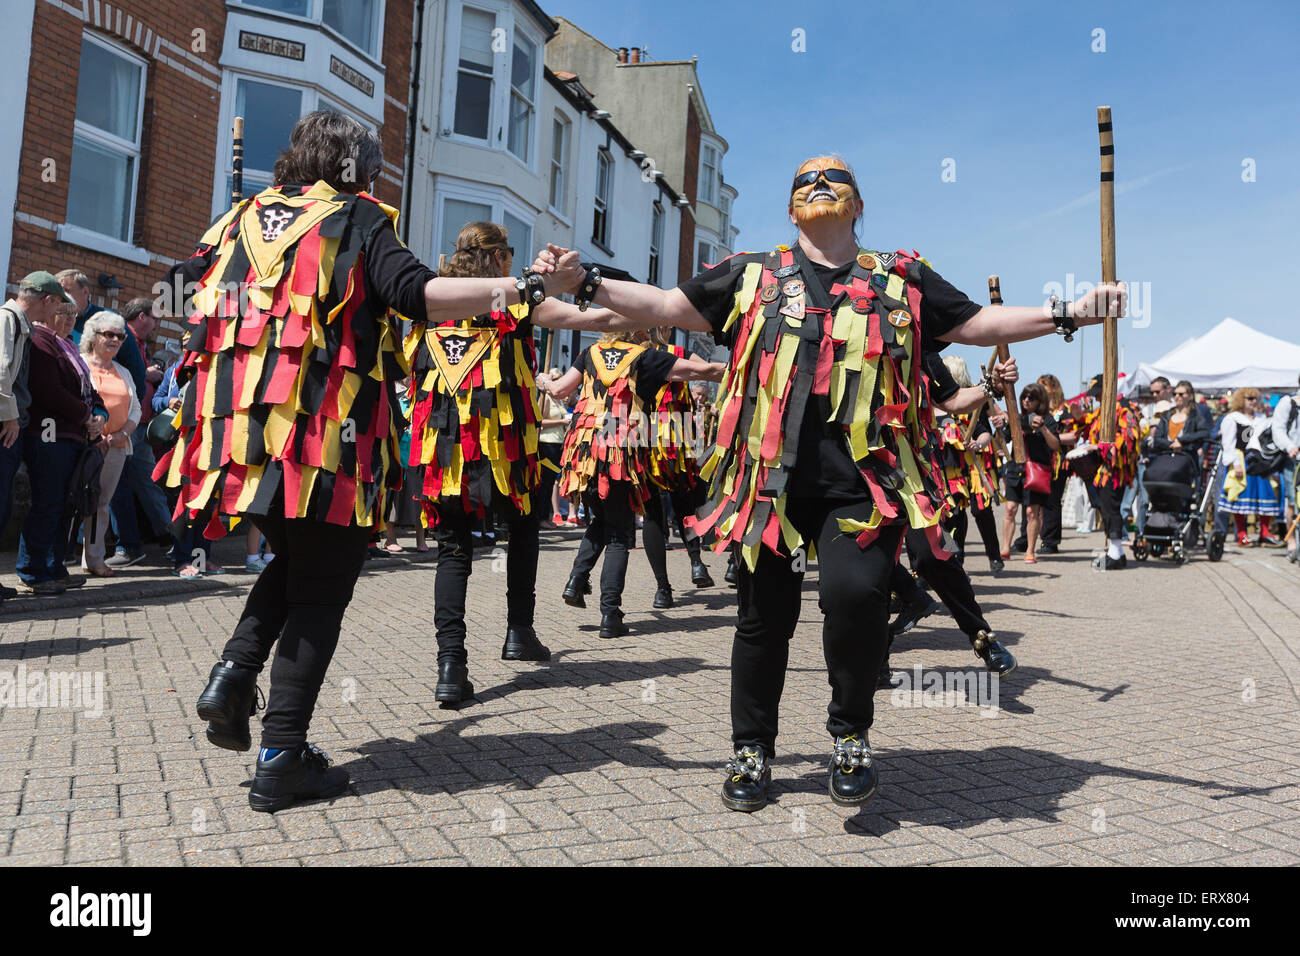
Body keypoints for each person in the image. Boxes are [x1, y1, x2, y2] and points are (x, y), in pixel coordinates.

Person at [531, 153, 1126, 812]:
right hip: (772, 485)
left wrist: (1070, 313)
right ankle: (751, 748)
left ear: (858, 203)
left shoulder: (900, 279)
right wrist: (582, 280)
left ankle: (850, 733)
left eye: (833, 177)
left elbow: (977, 325)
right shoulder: (752, 274)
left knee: (857, 599)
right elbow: (667, 304)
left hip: (861, 486)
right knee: (764, 620)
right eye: (804, 181)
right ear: (791, 210)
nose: (818, 185)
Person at [168, 110, 585, 813]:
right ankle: (280, 756)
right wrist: (523, 289)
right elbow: (416, 295)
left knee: (295, 564)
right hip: (325, 441)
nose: (382, 178)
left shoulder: (235, 219)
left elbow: (188, 295)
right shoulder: (358, 219)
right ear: (355, 167)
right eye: (377, 168)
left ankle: (234, 676)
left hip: (240, 434)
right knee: (321, 590)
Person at [405, 221, 601, 706]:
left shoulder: (434, 296)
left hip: (444, 448)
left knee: (453, 550)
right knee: (523, 530)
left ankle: (451, 665)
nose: (513, 261)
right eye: (509, 253)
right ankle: (519, 631)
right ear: (496, 258)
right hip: (507, 450)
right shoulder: (518, 300)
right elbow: (580, 319)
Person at [543, 330, 723, 638]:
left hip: (583, 455)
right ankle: (610, 616)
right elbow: (700, 371)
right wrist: (743, 369)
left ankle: (576, 579)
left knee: (601, 520)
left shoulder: (591, 352)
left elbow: (559, 390)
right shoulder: (647, 357)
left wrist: (543, 381)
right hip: (619, 455)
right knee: (619, 535)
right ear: (641, 329)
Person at [14, 283, 104, 595]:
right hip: (48, 435)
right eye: (62, 312)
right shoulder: (41, 340)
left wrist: (98, 418)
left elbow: (90, 393)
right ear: (50, 311)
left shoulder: (67, 346)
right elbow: (48, 390)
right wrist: (84, 416)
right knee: (48, 502)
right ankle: (32, 571)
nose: (68, 319)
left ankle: (54, 567)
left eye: (73, 314)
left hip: (73, 437)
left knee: (65, 505)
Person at [106, 297, 174, 568]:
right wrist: (147, 374)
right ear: (141, 317)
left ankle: (167, 538)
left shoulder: (141, 344)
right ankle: (133, 544)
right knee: (120, 485)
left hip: (140, 425)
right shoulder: (122, 338)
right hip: (125, 423)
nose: (157, 324)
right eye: (155, 318)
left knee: (144, 483)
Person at [1, 274, 56, 599]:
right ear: (46, 299)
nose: (54, 313)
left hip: (11, 425)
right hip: (4, 426)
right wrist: (9, 416)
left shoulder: (19, 322)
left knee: (4, 506)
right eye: (56, 304)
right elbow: (1, 369)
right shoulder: (8, 319)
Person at [79, 311, 140, 577]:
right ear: (94, 336)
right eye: (109, 334)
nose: (115, 339)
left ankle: (93, 559)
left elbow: (135, 408)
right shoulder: (79, 364)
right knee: (72, 501)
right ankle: (54, 561)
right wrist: (94, 434)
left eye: (120, 336)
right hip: (83, 445)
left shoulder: (123, 371)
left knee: (101, 504)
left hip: (115, 447)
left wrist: (121, 435)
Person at [1074, 376, 1142, 569]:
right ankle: (1116, 552)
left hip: (1116, 469)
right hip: (1104, 468)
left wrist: (1097, 448)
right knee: (1106, 507)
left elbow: (1128, 440)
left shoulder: (1124, 408)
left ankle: (1115, 553)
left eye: (1097, 394)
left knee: (1111, 508)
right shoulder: (1102, 411)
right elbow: (1086, 427)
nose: (1095, 398)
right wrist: (1078, 418)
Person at [1001, 382, 1059, 563]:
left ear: (1039, 400)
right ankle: (1004, 549)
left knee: (1031, 513)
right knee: (1010, 509)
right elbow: (1002, 441)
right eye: (1024, 396)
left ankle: (1030, 551)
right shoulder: (1016, 418)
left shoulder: (1047, 419)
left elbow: (1056, 446)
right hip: (1015, 469)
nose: (1026, 400)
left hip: (1035, 471)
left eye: (1031, 397)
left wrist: (1042, 428)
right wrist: (999, 427)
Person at [1268, 375, 1300, 559]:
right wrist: (1289, 446)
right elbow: (1277, 429)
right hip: (1293, 460)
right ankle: (1292, 540)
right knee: (1293, 501)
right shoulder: (1288, 403)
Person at [538, 366, 570, 525]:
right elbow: (540, 422)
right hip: (547, 442)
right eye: (556, 381)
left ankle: (547, 516)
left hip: (558, 442)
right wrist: (562, 421)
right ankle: (541, 517)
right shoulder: (545, 398)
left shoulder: (559, 400)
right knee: (545, 482)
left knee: (551, 482)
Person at [55, 269, 104, 344]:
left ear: (85, 292)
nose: (61, 296)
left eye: (66, 291)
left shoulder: (107, 318)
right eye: (58, 292)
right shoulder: (51, 317)